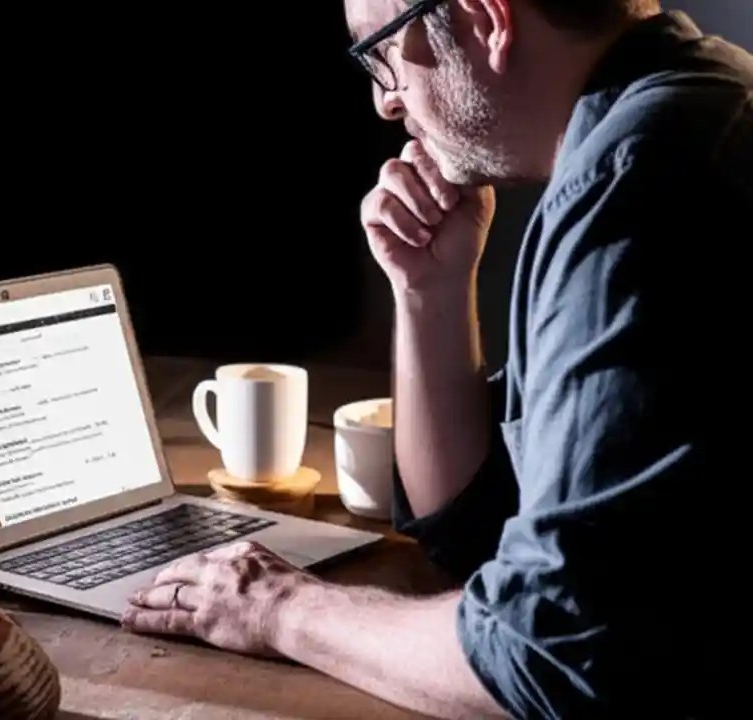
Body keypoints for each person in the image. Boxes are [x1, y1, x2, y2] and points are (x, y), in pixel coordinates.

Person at [122, 1, 751, 717]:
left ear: (488, 20)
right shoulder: (683, 114)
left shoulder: (641, 185)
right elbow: (481, 524)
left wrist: (278, 607)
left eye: (383, 50)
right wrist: (430, 288)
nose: (385, 99)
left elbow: (545, 650)